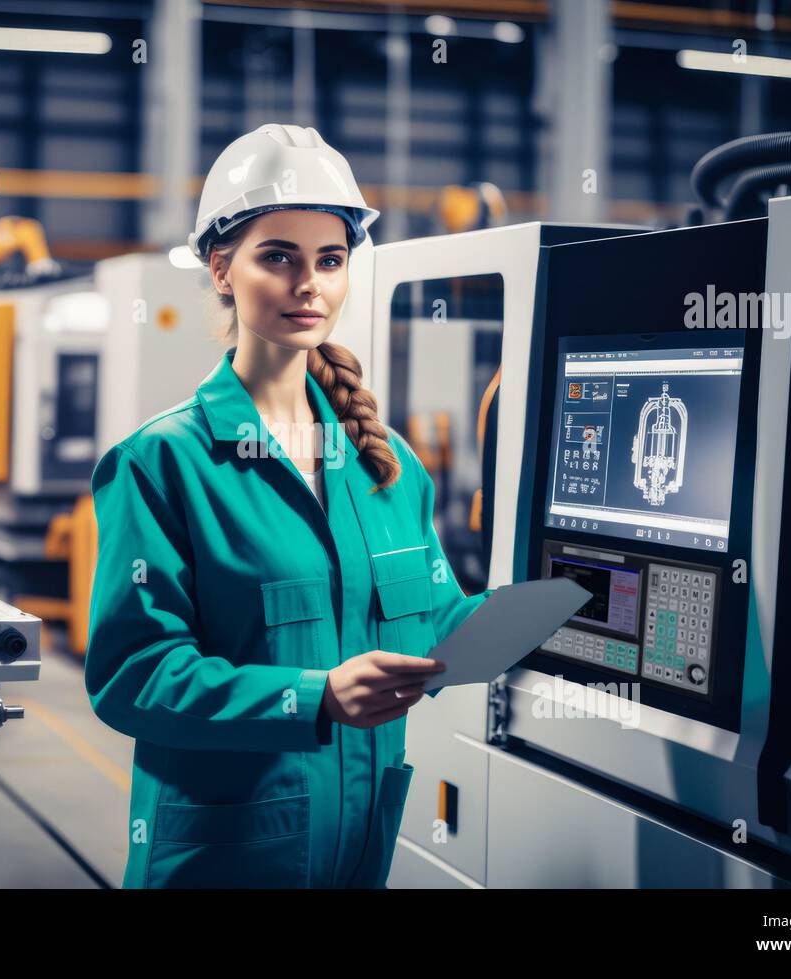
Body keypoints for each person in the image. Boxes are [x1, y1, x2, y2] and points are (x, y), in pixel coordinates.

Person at [85, 123, 491, 888]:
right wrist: (314, 696)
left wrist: (567, 603)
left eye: (330, 260)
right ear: (221, 270)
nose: (310, 283)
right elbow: (132, 674)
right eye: (279, 256)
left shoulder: (389, 465)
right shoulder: (162, 462)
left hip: (355, 852)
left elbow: (435, 620)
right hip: (224, 859)